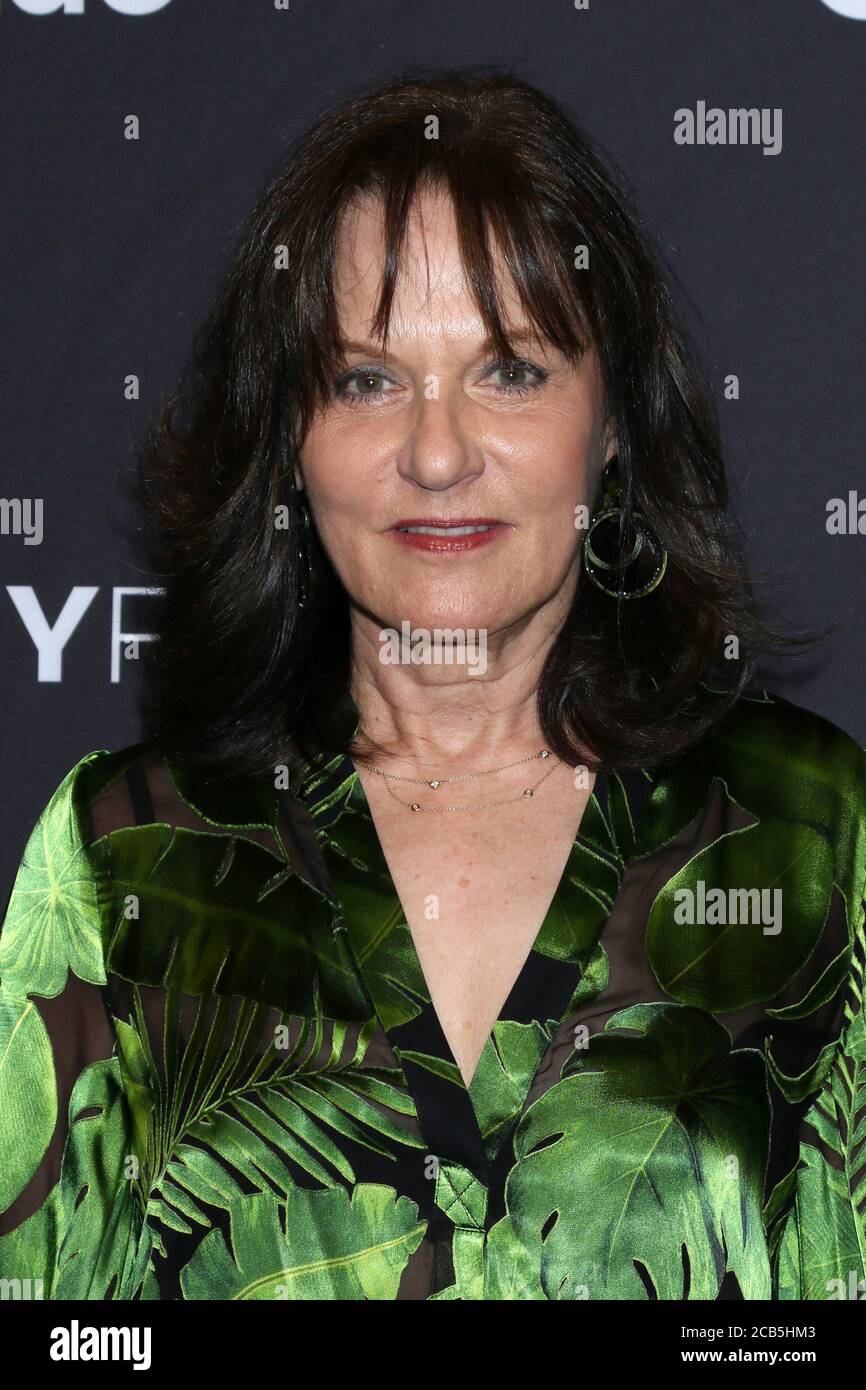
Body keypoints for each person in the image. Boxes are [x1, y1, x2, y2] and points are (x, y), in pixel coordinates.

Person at [1, 70, 864, 1302]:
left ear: (610, 419)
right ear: (288, 437)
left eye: (508, 369)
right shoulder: (119, 861)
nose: (438, 450)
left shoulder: (808, 828)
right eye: (365, 379)